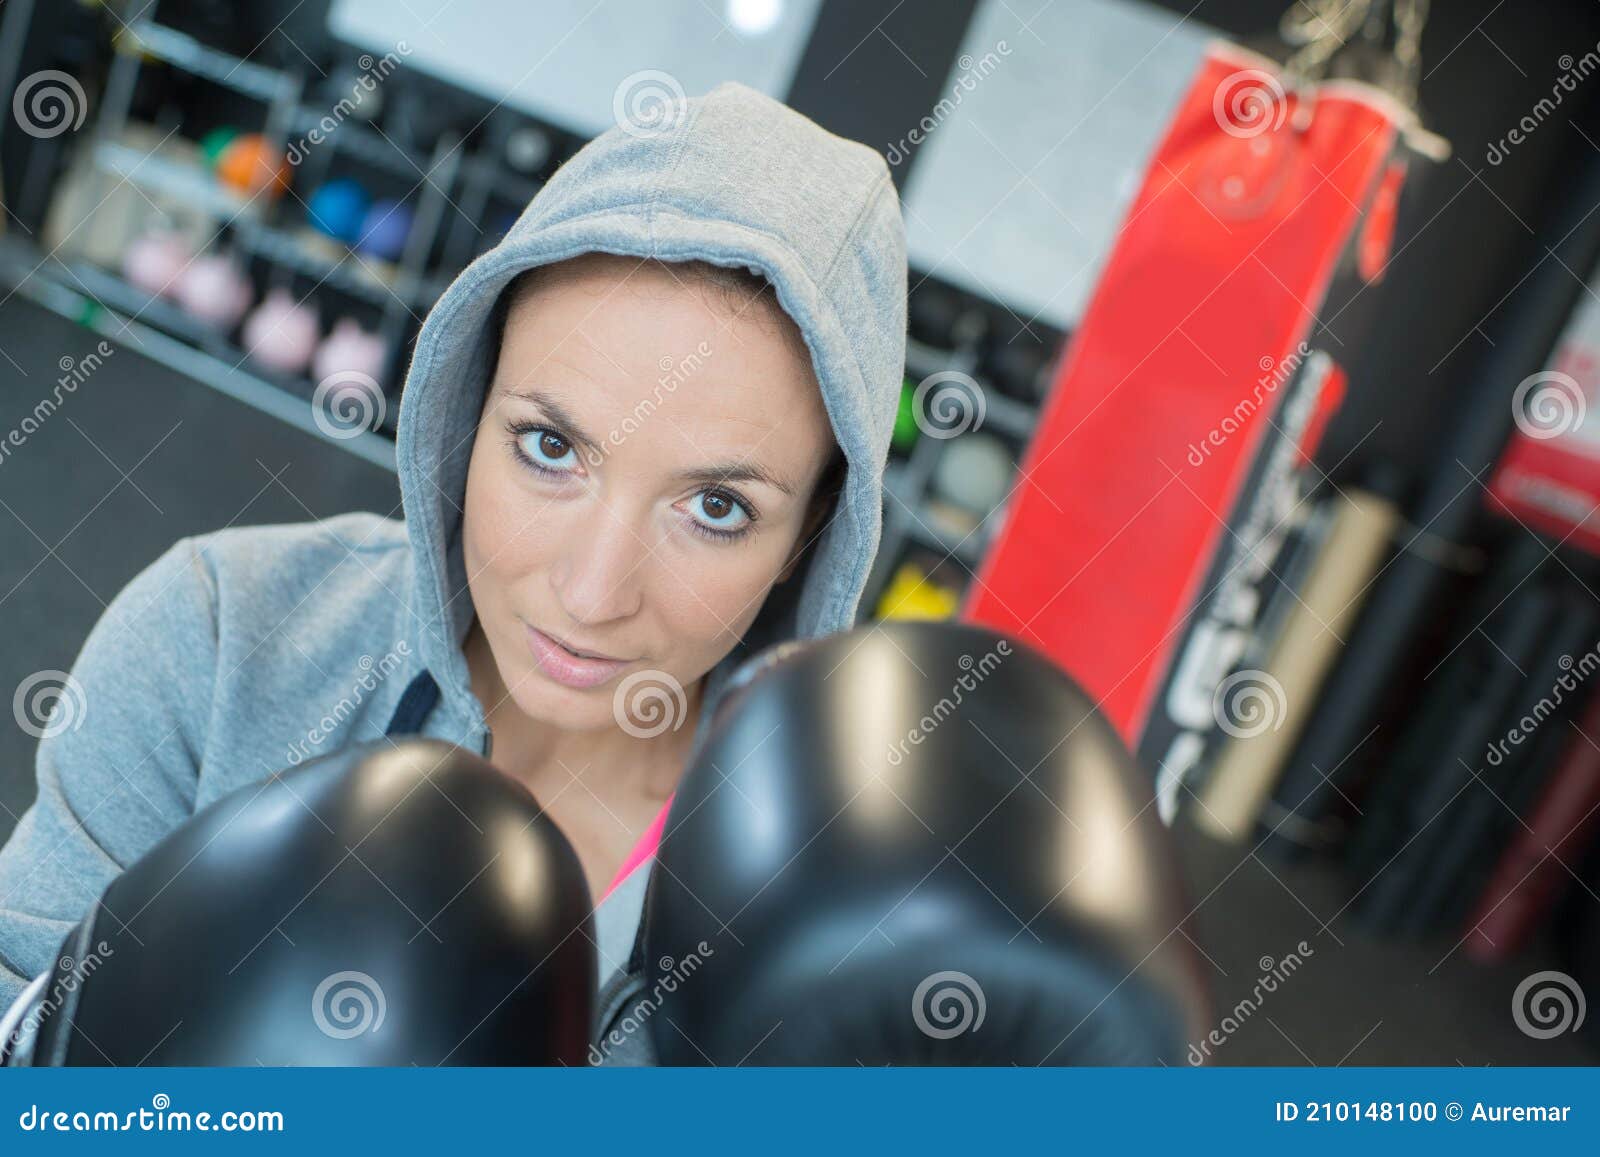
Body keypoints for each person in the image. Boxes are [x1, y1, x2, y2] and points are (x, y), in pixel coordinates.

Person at [0, 81, 908, 1061]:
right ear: (470, 402)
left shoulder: (824, 904)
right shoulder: (223, 640)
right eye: (550, 447)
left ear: (813, 533)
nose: (592, 593)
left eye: (716, 506)